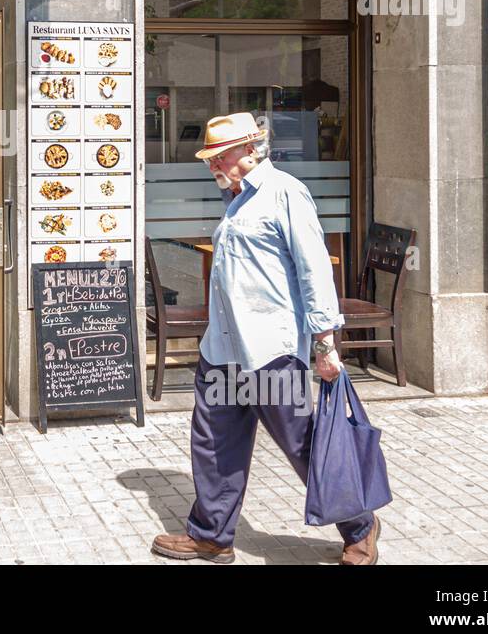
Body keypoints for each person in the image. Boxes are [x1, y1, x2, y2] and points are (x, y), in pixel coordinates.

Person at [151, 112, 382, 565]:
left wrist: (324, 344)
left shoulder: (285, 193)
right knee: (214, 442)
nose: (210, 164)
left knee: (302, 443)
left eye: (218, 155)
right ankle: (212, 536)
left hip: (269, 352)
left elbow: (315, 270)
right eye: (208, 157)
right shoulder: (236, 200)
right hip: (223, 350)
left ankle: (360, 524)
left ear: (248, 149)